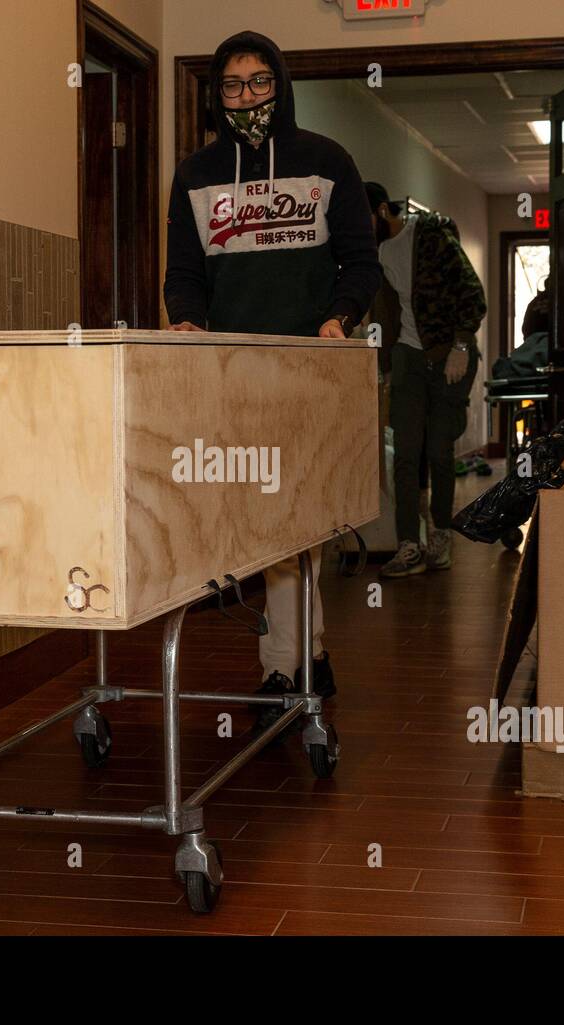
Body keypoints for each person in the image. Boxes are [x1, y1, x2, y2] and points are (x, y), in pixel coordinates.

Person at [163, 30, 382, 731]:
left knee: (294, 522)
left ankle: (285, 667)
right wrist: (189, 323)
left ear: (281, 87)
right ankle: (304, 656)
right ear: (215, 95)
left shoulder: (326, 162)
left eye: (260, 83)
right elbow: (184, 273)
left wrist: (338, 318)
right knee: (260, 523)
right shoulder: (197, 174)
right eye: (233, 86)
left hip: (306, 374)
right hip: (229, 377)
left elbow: (360, 261)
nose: (247, 97)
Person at [364, 182, 486, 578]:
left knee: (438, 451)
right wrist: (384, 367)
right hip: (407, 356)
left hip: (447, 352)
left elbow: (472, 293)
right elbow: (383, 314)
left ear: (382, 210)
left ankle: (441, 535)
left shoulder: (430, 235)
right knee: (405, 453)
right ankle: (408, 545)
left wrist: (462, 346)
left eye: (365, 217)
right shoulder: (374, 254)